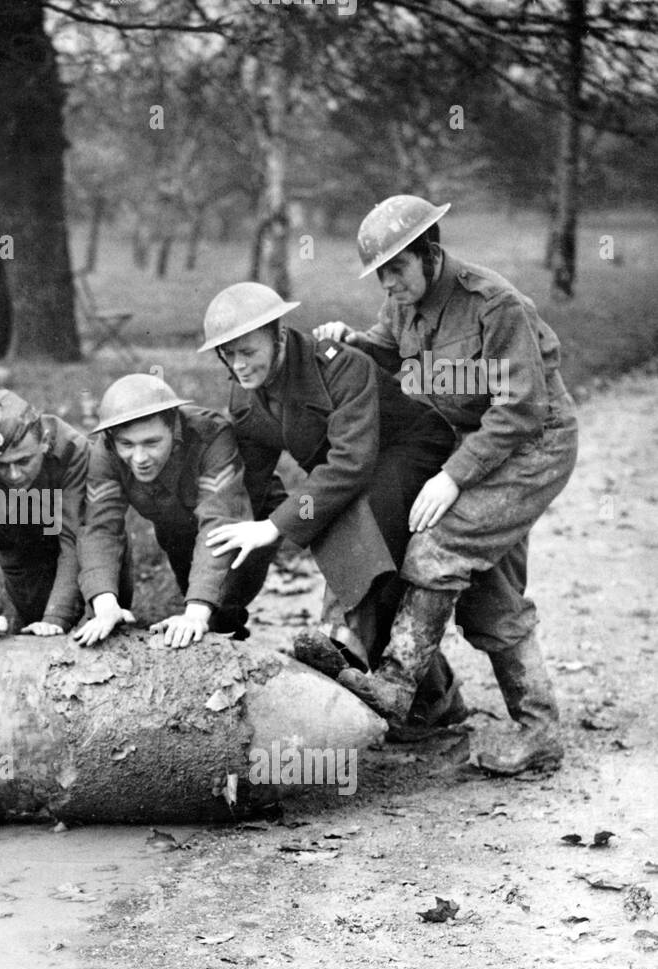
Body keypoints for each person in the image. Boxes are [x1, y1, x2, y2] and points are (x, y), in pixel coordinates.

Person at [313, 195, 579, 774]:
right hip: (482, 442)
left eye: (397, 269)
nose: (389, 285)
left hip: (532, 445)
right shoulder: (404, 305)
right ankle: (537, 731)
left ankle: (398, 683)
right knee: (490, 592)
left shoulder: (494, 303)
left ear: (429, 254)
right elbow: (397, 353)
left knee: (436, 549)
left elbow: (521, 409)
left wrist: (454, 478)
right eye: (380, 275)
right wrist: (354, 342)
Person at [198, 282, 465, 727]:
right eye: (228, 354)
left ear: (278, 336)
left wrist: (277, 526)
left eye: (248, 350)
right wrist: (212, 595)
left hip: (411, 449)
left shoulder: (340, 366)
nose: (238, 365)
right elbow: (252, 484)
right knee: (364, 545)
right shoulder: (244, 396)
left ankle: (343, 641)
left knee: (358, 521)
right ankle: (435, 697)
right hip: (353, 467)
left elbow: (351, 465)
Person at [72, 373, 262, 649]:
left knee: (223, 600)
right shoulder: (105, 452)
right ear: (112, 438)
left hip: (245, 517)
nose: (139, 459)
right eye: (127, 445)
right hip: (175, 525)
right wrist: (103, 602)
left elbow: (218, 523)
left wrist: (197, 611)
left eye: (151, 443)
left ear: (174, 428)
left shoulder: (209, 435)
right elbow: (100, 528)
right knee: (203, 610)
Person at [0, 389, 89, 650]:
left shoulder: (73, 450)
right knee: (34, 643)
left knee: (101, 634)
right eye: (0, 465)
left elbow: (75, 539)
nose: (13, 474)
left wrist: (57, 616)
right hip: (22, 554)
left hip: (79, 550)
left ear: (44, 440)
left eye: (24, 460)